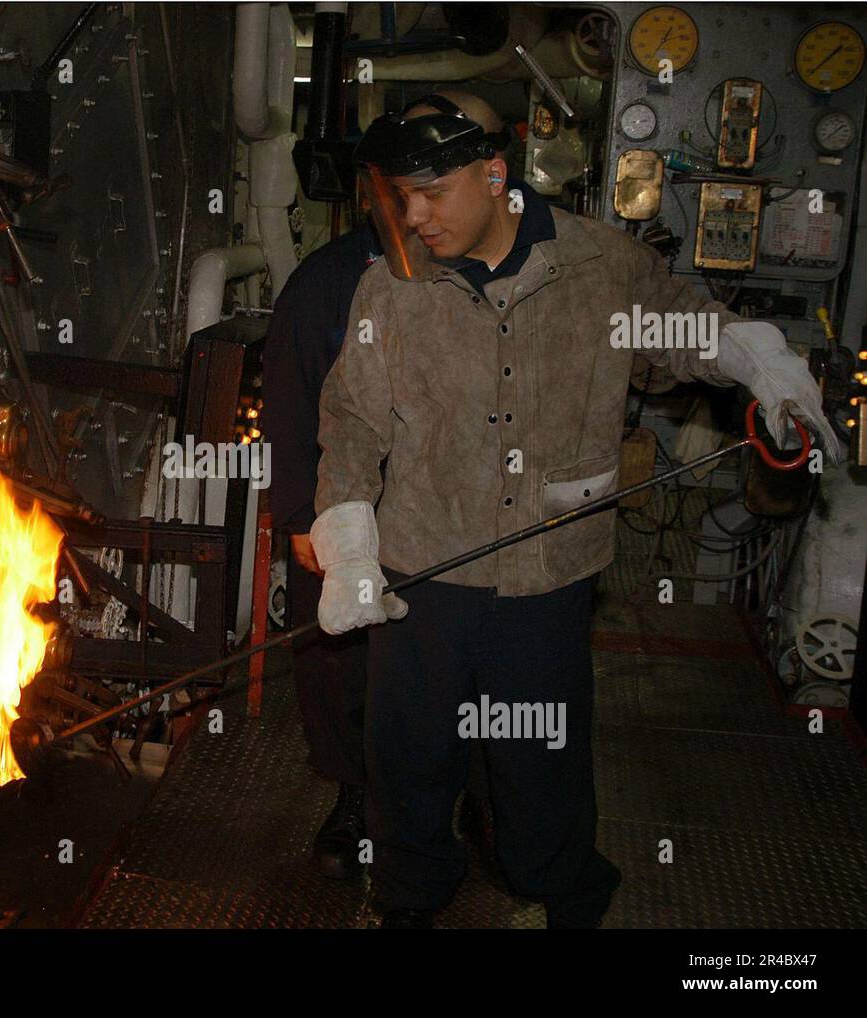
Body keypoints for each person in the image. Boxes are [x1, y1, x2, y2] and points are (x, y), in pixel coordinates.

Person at [310, 91, 840, 928]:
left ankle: (563, 897)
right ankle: (408, 904)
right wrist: (346, 546)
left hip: (546, 580)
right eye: (400, 195)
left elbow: (678, 326)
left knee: (539, 768)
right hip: (422, 580)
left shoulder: (602, 266)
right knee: (407, 766)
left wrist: (757, 361)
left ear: (494, 174)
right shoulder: (392, 290)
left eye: (432, 192)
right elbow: (349, 422)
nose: (413, 216)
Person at [261, 209, 382, 880]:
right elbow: (287, 399)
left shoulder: (472, 274)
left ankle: (475, 792)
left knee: (461, 660)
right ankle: (353, 793)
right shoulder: (326, 281)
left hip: (449, 509)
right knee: (339, 660)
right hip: (344, 506)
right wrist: (303, 515)